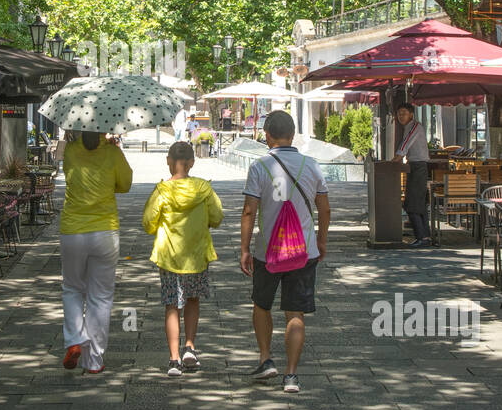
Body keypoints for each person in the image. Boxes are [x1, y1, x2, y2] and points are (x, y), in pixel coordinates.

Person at [239, 110, 330, 394]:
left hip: (268, 252)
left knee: (261, 304)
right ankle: (291, 375)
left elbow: (249, 210)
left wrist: (244, 248)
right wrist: (321, 241)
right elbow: (325, 210)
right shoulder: (311, 165)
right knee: (296, 312)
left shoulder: (259, 167)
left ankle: (266, 359)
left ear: (267, 135)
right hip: (303, 251)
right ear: (293, 136)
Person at [142, 141, 223, 377]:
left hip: (169, 256)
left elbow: (148, 223)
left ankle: (174, 358)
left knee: (171, 305)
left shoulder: (161, 191)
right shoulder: (204, 188)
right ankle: (190, 346)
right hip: (196, 255)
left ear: (168, 161)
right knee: (193, 300)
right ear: (192, 163)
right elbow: (217, 217)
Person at [60, 129, 133, 374]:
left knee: (72, 289)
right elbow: (125, 184)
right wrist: (114, 149)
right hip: (105, 231)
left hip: (72, 230)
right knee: (100, 297)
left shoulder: (70, 150)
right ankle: (94, 361)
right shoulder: (112, 152)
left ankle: (74, 340)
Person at [394, 102, 432, 247]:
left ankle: (422, 237)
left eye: (404, 113)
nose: (401, 116)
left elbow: (405, 144)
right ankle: (424, 236)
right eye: (399, 113)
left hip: (418, 167)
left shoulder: (415, 127)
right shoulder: (407, 127)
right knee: (418, 204)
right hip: (414, 166)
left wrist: (396, 159)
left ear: (411, 114)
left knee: (412, 204)